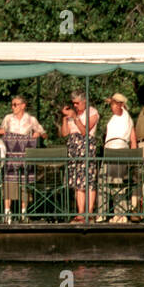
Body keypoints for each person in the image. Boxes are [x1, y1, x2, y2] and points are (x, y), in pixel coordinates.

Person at [0, 94, 45, 222]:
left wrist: (37, 134)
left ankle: (24, 212)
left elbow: (43, 133)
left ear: (23, 105)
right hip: (11, 155)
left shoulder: (31, 119)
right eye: (12, 104)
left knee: (24, 184)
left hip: (25, 156)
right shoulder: (8, 118)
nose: (13, 107)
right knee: (9, 183)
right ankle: (7, 212)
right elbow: (0, 131)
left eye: (15, 104)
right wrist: (4, 132)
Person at [62, 90, 99, 221]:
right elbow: (65, 133)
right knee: (77, 181)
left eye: (77, 103)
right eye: (74, 104)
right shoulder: (73, 115)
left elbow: (85, 131)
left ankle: (89, 212)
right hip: (73, 147)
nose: (76, 106)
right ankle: (80, 212)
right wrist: (65, 119)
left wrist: (75, 118)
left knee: (88, 180)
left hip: (86, 146)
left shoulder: (92, 112)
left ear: (84, 102)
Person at [104, 93, 134, 222]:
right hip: (110, 148)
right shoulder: (114, 118)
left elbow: (132, 137)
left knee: (117, 181)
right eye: (112, 104)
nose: (112, 107)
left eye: (115, 104)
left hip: (118, 148)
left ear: (121, 105)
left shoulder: (125, 117)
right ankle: (108, 213)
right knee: (108, 182)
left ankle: (120, 214)